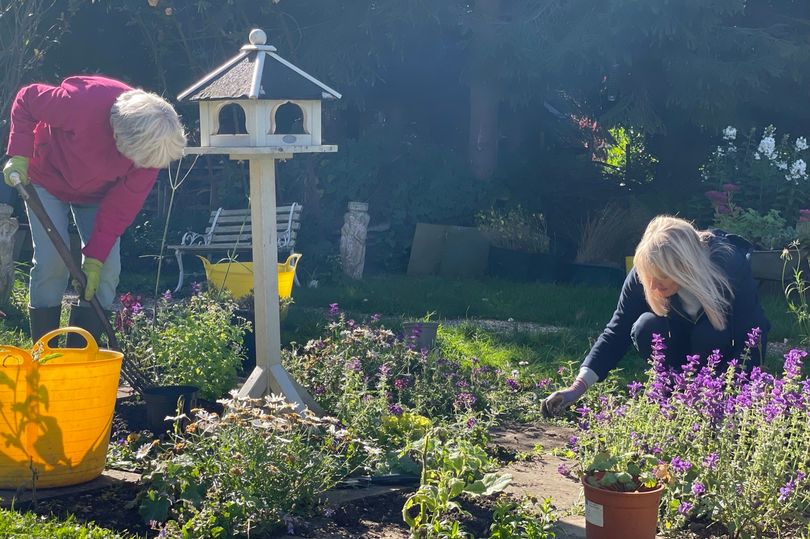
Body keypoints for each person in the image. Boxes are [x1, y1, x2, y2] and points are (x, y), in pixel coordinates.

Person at [2, 75, 186, 346]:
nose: (144, 167)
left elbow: (120, 209)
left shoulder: (151, 152)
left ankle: (80, 357)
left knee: (107, 270)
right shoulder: (83, 103)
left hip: (98, 195)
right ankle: (45, 354)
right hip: (47, 178)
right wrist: (19, 154)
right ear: (120, 135)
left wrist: (96, 258)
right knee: (51, 261)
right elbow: (27, 100)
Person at [542, 215, 771, 417]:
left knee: (708, 332)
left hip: (719, 353)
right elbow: (617, 331)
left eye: (662, 277)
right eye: (647, 276)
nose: (652, 285)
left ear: (685, 268)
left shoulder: (729, 267)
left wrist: (736, 395)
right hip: (677, 344)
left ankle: (709, 405)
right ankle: (671, 396)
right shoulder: (647, 269)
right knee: (646, 326)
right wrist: (577, 388)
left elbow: (752, 336)